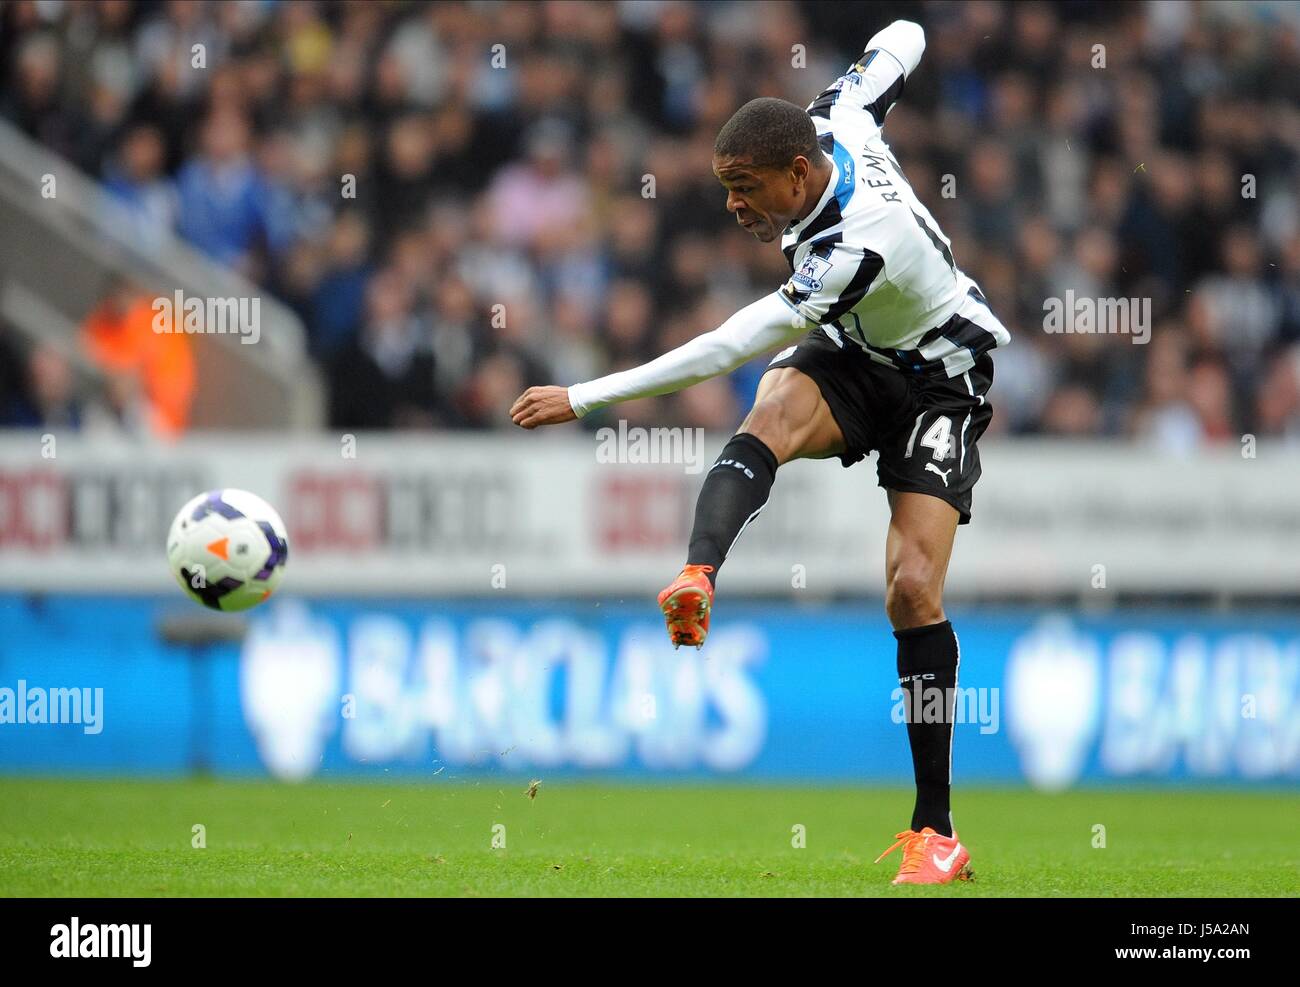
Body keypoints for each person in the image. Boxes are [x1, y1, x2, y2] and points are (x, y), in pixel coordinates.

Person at [510, 20, 1010, 886]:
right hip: (860, 352)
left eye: (746, 189)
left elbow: (723, 345)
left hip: (941, 375)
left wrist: (584, 397)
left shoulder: (856, 244)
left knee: (911, 587)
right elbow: (903, 38)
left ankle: (937, 831)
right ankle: (698, 573)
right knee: (773, 411)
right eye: (726, 187)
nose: (735, 206)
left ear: (799, 175)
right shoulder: (837, 113)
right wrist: (904, 40)